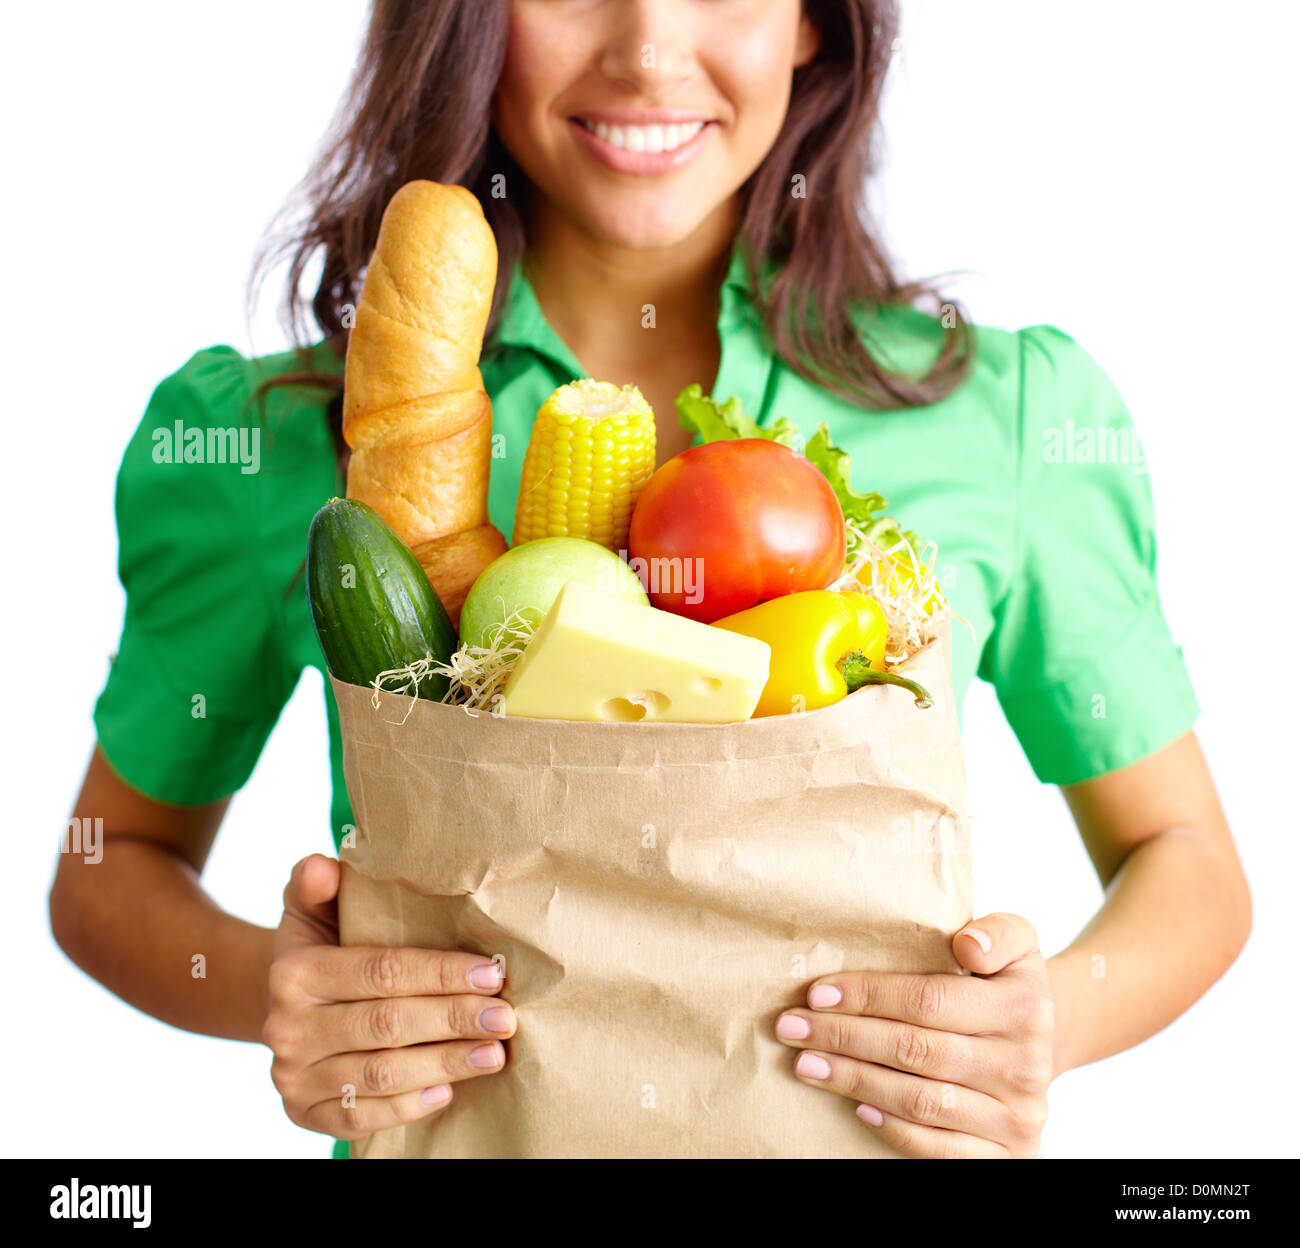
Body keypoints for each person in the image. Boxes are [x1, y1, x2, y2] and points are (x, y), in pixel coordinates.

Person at [51, 0, 1249, 1159]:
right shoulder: (270, 441)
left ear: (813, 18)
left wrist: (1043, 1025)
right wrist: (284, 986)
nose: (644, 50)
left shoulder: (1007, 420)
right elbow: (107, 864)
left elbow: (1187, 861)